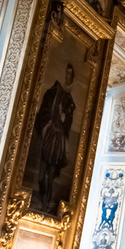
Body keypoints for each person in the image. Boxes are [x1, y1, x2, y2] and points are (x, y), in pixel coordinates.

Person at [34, 63, 77, 211]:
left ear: (72, 78)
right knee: (41, 177)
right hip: (50, 137)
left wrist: (65, 118)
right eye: (66, 73)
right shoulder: (54, 92)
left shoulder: (69, 102)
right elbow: (45, 110)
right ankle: (42, 198)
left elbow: (68, 123)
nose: (66, 77)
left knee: (51, 178)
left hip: (58, 141)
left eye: (69, 75)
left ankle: (45, 206)